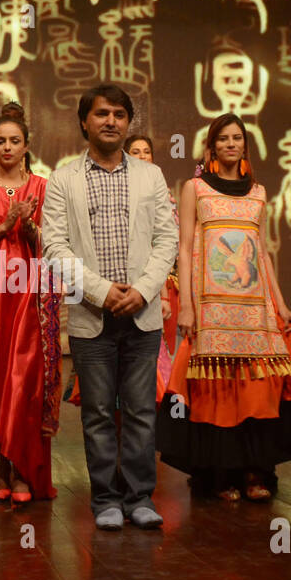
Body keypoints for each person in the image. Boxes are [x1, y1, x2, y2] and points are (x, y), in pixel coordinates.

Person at [41, 84, 178, 530]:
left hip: (143, 311)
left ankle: (139, 497)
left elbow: (167, 239)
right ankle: (105, 501)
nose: (111, 121)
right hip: (91, 315)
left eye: (120, 114)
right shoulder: (63, 178)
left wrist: (141, 289)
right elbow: (54, 246)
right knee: (99, 413)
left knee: (140, 411)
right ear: (85, 121)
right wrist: (103, 292)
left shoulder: (149, 176)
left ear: (128, 122)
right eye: (102, 114)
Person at [156, 114, 291, 504]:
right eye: (224, 138)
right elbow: (185, 248)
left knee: (256, 391)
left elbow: (263, 254)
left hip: (255, 309)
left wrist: (282, 303)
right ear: (212, 146)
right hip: (211, 308)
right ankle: (221, 474)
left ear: (244, 146)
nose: (231, 144)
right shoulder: (196, 188)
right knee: (216, 392)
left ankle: (255, 471)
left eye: (237, 138)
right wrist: (186, 304)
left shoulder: (258, 192)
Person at [0, 102, 62, 503]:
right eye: (0, 141)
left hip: (31, 293)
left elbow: (55, 242)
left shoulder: (43, 185)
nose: (7, 147)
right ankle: (2, 460)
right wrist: (5, 225)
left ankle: (24, 468)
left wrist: (30, 224)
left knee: (27, 379)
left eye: (15, 141)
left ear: (26, 145)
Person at [125, 133, 180, 398]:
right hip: (129, 283)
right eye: (135, 152)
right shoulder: (119, 191)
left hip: (164, 284)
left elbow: (169, 243)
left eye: (146, 151)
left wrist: (164, 293)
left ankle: (157, 430)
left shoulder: (164, 194)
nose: (143, 156)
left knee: (162, 361)